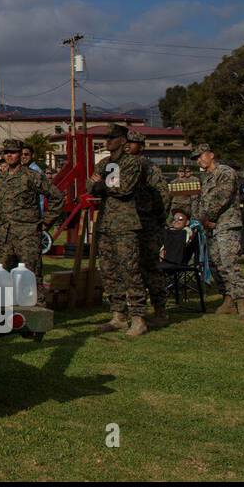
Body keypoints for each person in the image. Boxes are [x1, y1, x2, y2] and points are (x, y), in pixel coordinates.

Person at [88, 125, 150, 336]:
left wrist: (102, 185)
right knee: (108, 271)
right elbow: (90, 186)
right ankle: (118, 314)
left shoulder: (132, 163)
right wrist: (101, 185)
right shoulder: (104, 163)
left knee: (130, 270)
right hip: (105, 223)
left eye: (112, 137)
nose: (108, 141)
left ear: (123, 140)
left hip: (125, 224)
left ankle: (138, 317)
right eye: (106, 137)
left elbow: (125, 189)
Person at [0, 139, 64, 283]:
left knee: (31, 277)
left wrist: (46, 222)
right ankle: (5, 305)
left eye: (14, 152)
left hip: (27, 236)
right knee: (1, 277)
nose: (10, 156)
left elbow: (57, 196)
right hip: (4, 236)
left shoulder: (32, 176)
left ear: (20, 154)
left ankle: (36, 305)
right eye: (7, 152)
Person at [190, 143, 244, 319]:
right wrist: (200, 219)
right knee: (215, 264)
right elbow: (200, 201)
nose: (199, 160)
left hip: (226, 224)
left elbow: (220, 198)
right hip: (209, 226)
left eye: (201, 156)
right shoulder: (205, 177)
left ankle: (242, 302)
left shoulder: (225, 172)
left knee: (229, 262)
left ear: (211, 155)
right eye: (196, 158)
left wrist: (207, 217)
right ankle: (228, 299)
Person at [126, 129, 172, 327]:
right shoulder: (123, 167)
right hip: (130, 224)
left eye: (133, 142)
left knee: (150, 268)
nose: (128, 145)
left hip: (148, 225)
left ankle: (160, 311)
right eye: (126, 142)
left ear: (141, 146)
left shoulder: (149, 168)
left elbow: (163, 196)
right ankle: (133, 311)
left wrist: (158, 219)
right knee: (132, 268)